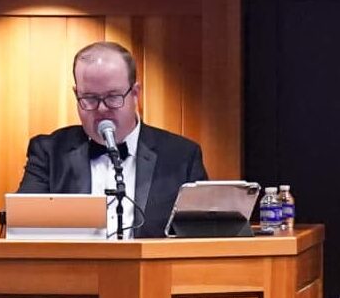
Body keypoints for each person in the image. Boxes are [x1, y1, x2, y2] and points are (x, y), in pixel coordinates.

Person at [16, 41, 206, 239]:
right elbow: (23, 229)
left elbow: (202, 238)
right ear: (76, 94)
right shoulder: (49, 152)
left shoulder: (182, 156)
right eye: (89, 98)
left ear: (135, 94)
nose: (102, 109)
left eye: (113, 97)